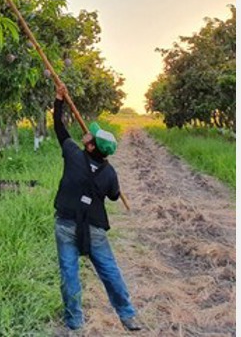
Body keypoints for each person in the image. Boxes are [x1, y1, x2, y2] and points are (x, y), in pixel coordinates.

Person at [51, 82, 143, 332]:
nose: (87, 134)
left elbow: (59, 127)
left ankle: (74, 322)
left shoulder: (72, 153)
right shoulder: (109, 173)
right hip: (94, 229)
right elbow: (113, 196)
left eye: (90, 137)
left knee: (69, 274)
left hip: (66, 224)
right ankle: (127, 314)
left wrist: (59, 100)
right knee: (109, 270)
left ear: (91, 147)